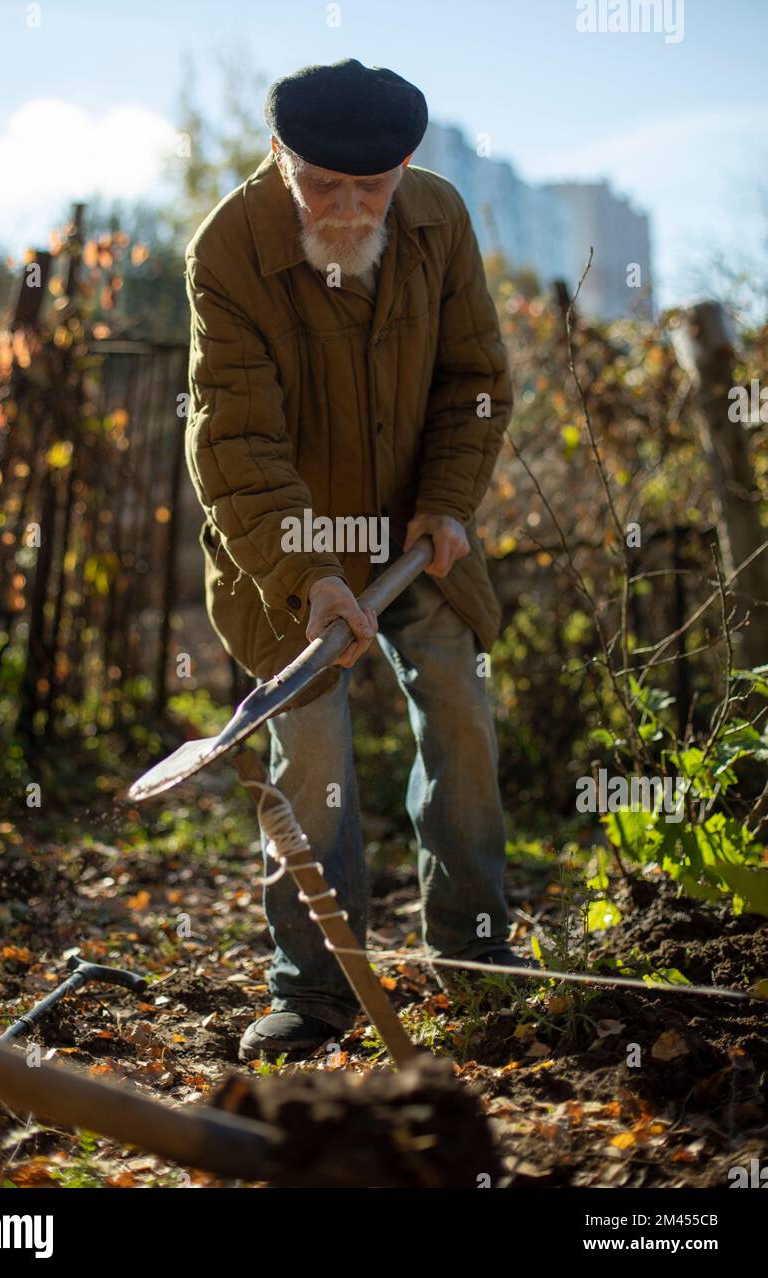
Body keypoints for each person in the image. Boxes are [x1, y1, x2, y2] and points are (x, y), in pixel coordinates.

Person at [183, 58, 536, 1063]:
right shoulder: (229, 248)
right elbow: (235, 440)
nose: (344, 207)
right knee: (314, 759)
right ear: (278, 157)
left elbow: (475, 381)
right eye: (319, 185)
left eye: (368, 188)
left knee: (462, 716)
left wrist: (446, 502)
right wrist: (306, 574)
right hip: (283, 550)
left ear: (405, 167)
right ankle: (312, 992)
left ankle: (473, 955)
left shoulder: (438, 220)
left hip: (416, 535)